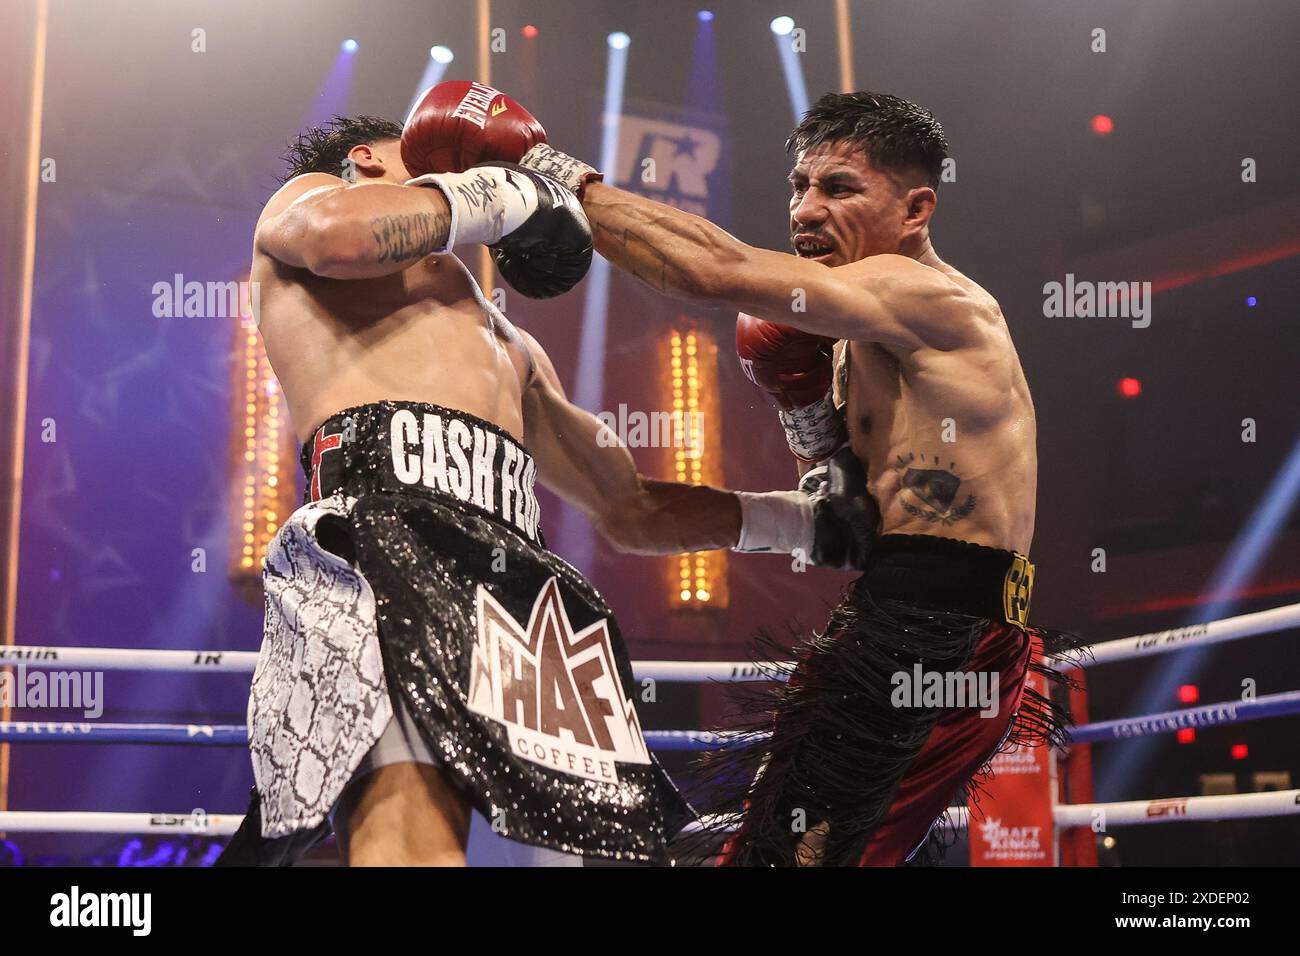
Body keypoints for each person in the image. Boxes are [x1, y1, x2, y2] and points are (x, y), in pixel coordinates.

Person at [218, 84, 871, 867]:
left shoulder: (512, 349)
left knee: (612, 849)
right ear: (364, 159)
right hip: (382, 544)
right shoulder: (312, 203)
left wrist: (801, 520)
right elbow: (339, 240)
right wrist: (503, 186)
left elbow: (628, 509)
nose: (447, 178)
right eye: (420, 162)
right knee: (409, 838)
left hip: (517, 589)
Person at [484, 90, 1080, 865]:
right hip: (915, 622)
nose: (805, 209)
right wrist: (805, 414)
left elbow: (711, 269)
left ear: (916, 208)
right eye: (799, 186)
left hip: (940, 633)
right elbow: (845, 513)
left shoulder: (932, 297)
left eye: (838, 188)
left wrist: (545, 169)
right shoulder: (851, 338)